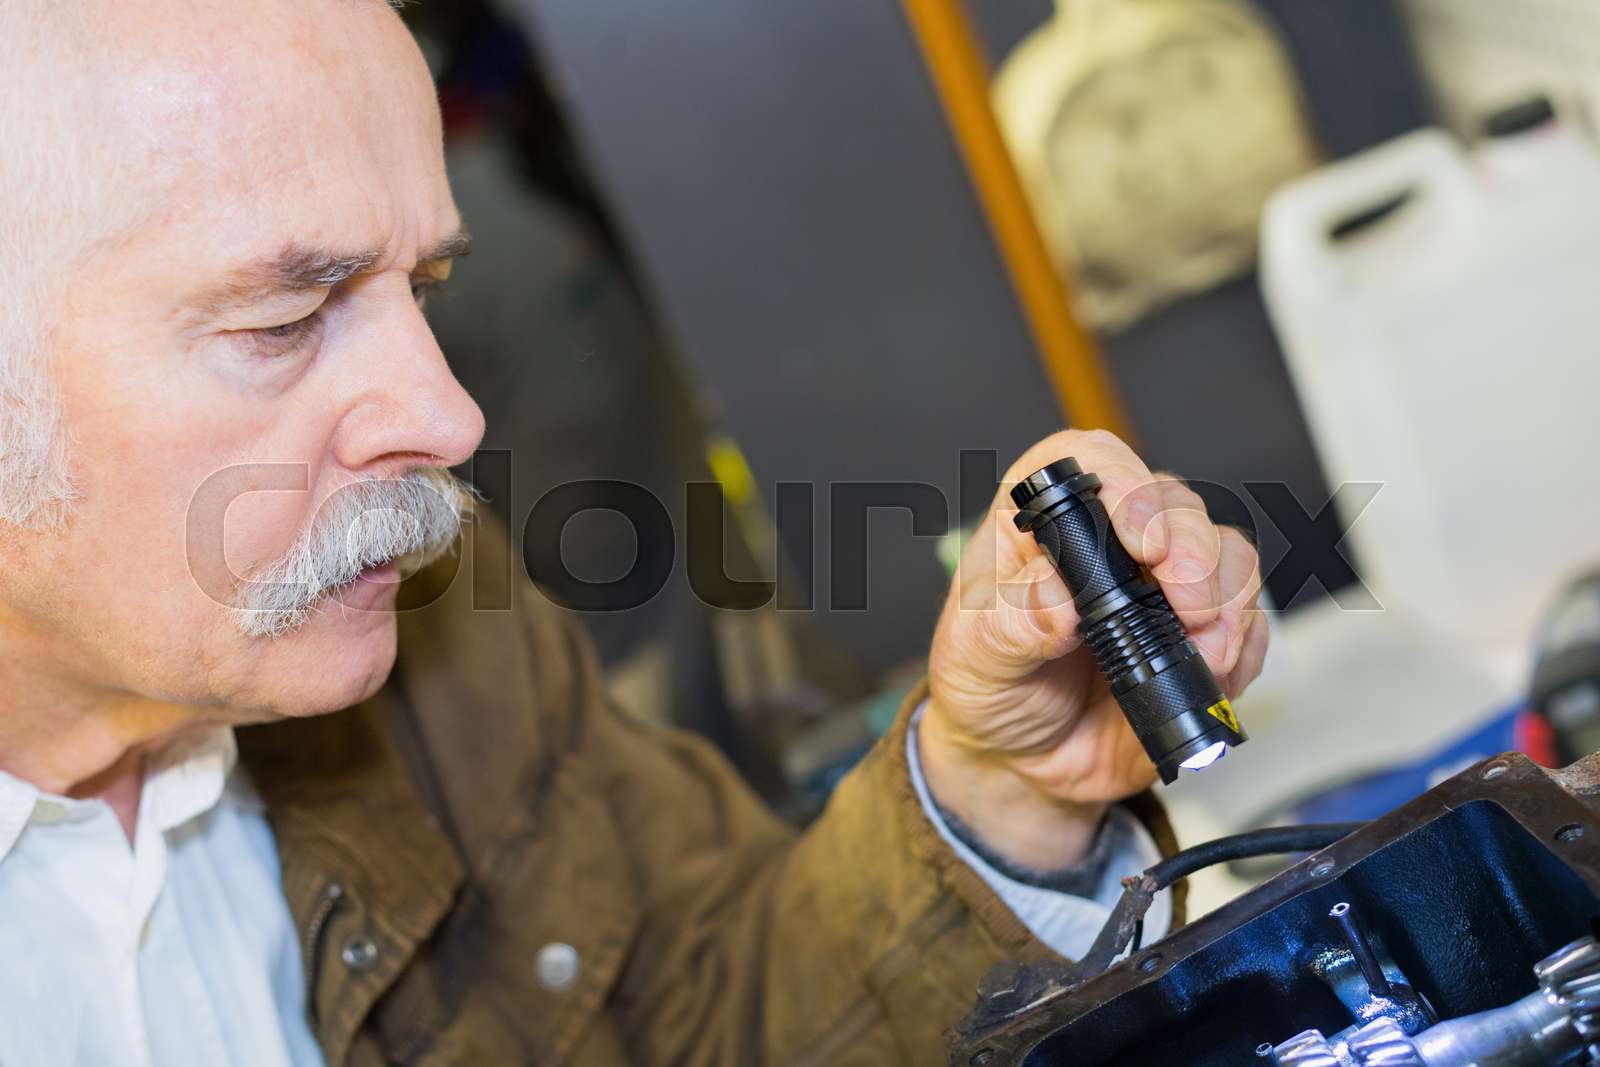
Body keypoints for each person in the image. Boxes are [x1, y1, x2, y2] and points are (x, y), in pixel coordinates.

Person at [0, 1, 1266, 1063]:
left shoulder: (443, 632)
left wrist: (1001, 792)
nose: (445, 417)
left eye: (423, 290)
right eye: (283, 320)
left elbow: (712, 1011)